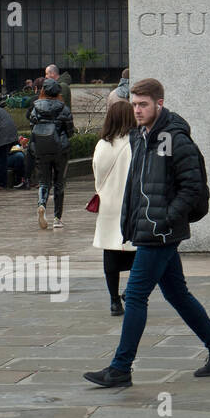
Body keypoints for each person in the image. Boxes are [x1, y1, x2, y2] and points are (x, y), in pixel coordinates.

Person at [84, 78, 210, 387]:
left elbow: (192, 187)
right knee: (177, 293)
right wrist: (131, 220)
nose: (137, 110)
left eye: (144, 105)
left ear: (159, 104)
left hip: (161, 231)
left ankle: (120, 368)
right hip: (149, 227)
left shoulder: (173, 138)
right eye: (135, 104)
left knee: (136, 296)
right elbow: (136, 185)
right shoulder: (141, 136)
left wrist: (167, 218)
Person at [92, 99, 136, 316]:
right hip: (132, 204)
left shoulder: (102, 144)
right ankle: (131, 290)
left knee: (110, 251)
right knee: (139, 250)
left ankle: (113, 301)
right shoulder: (136, 143)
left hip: (108, 204)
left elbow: (97, 175)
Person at [28, 80, 74, 229]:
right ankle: (57, 218)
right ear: (58, 93)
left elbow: (32, 126)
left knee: (43, 182)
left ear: (43, 91)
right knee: (59, 183)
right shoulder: (64, 109)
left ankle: (42, 204)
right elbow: (70, 131)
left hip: (41, 148)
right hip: (60, 149)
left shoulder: (36, 108)